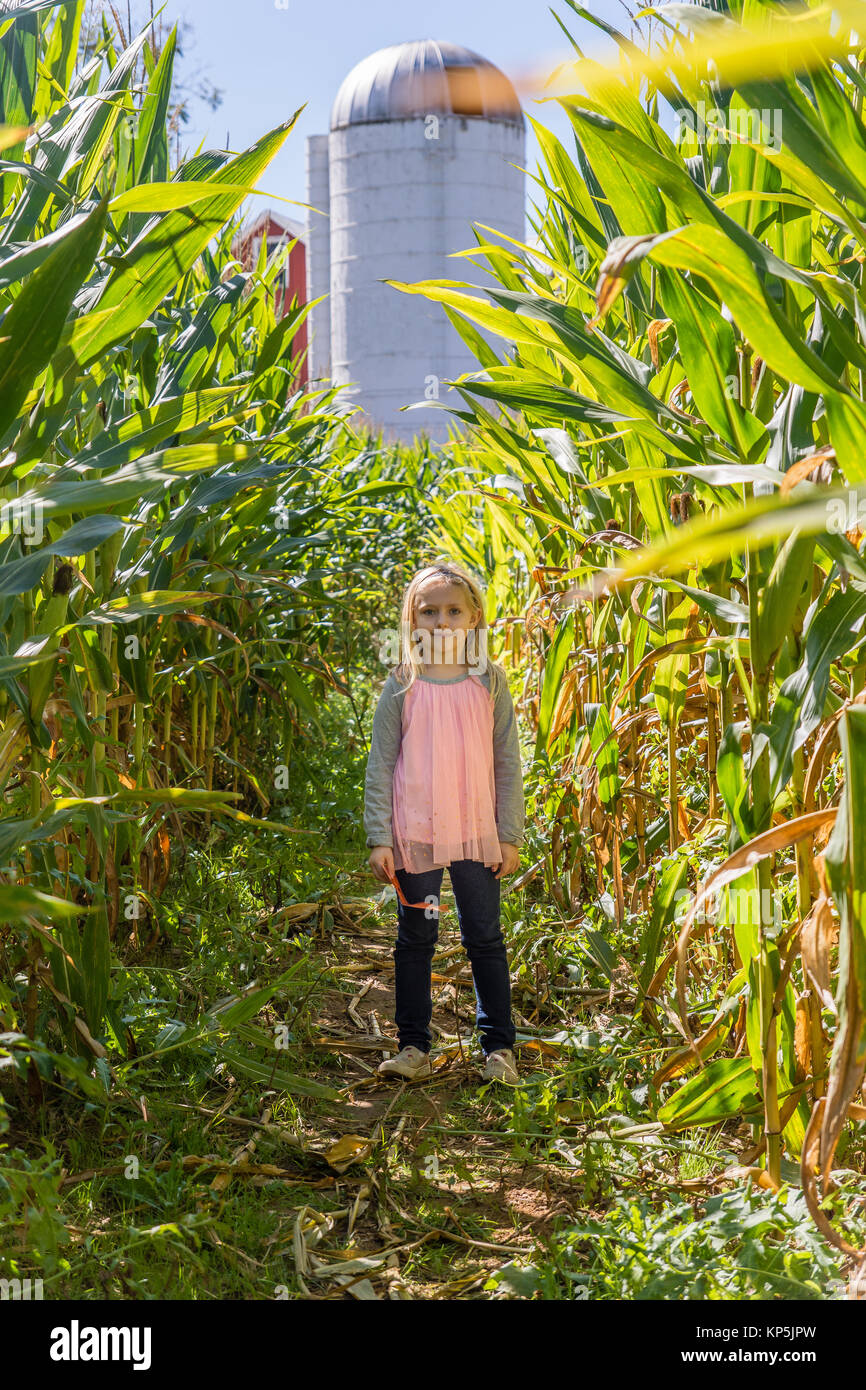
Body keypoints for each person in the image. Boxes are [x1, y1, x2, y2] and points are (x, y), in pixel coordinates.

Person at [364, 558, 525, 1085]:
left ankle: (498, 1048)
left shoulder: (489, 682)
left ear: (474, 617)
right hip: (418, 832)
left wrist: (508, 835)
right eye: (428, 611)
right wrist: (379, 837)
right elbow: (381, 764)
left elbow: (506, 763)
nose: (441, 621)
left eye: (453, 610)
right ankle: (413, 1047)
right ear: (412, 620)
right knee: (417, 937)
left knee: (484, 936)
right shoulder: (402, 684)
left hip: (476, 831)